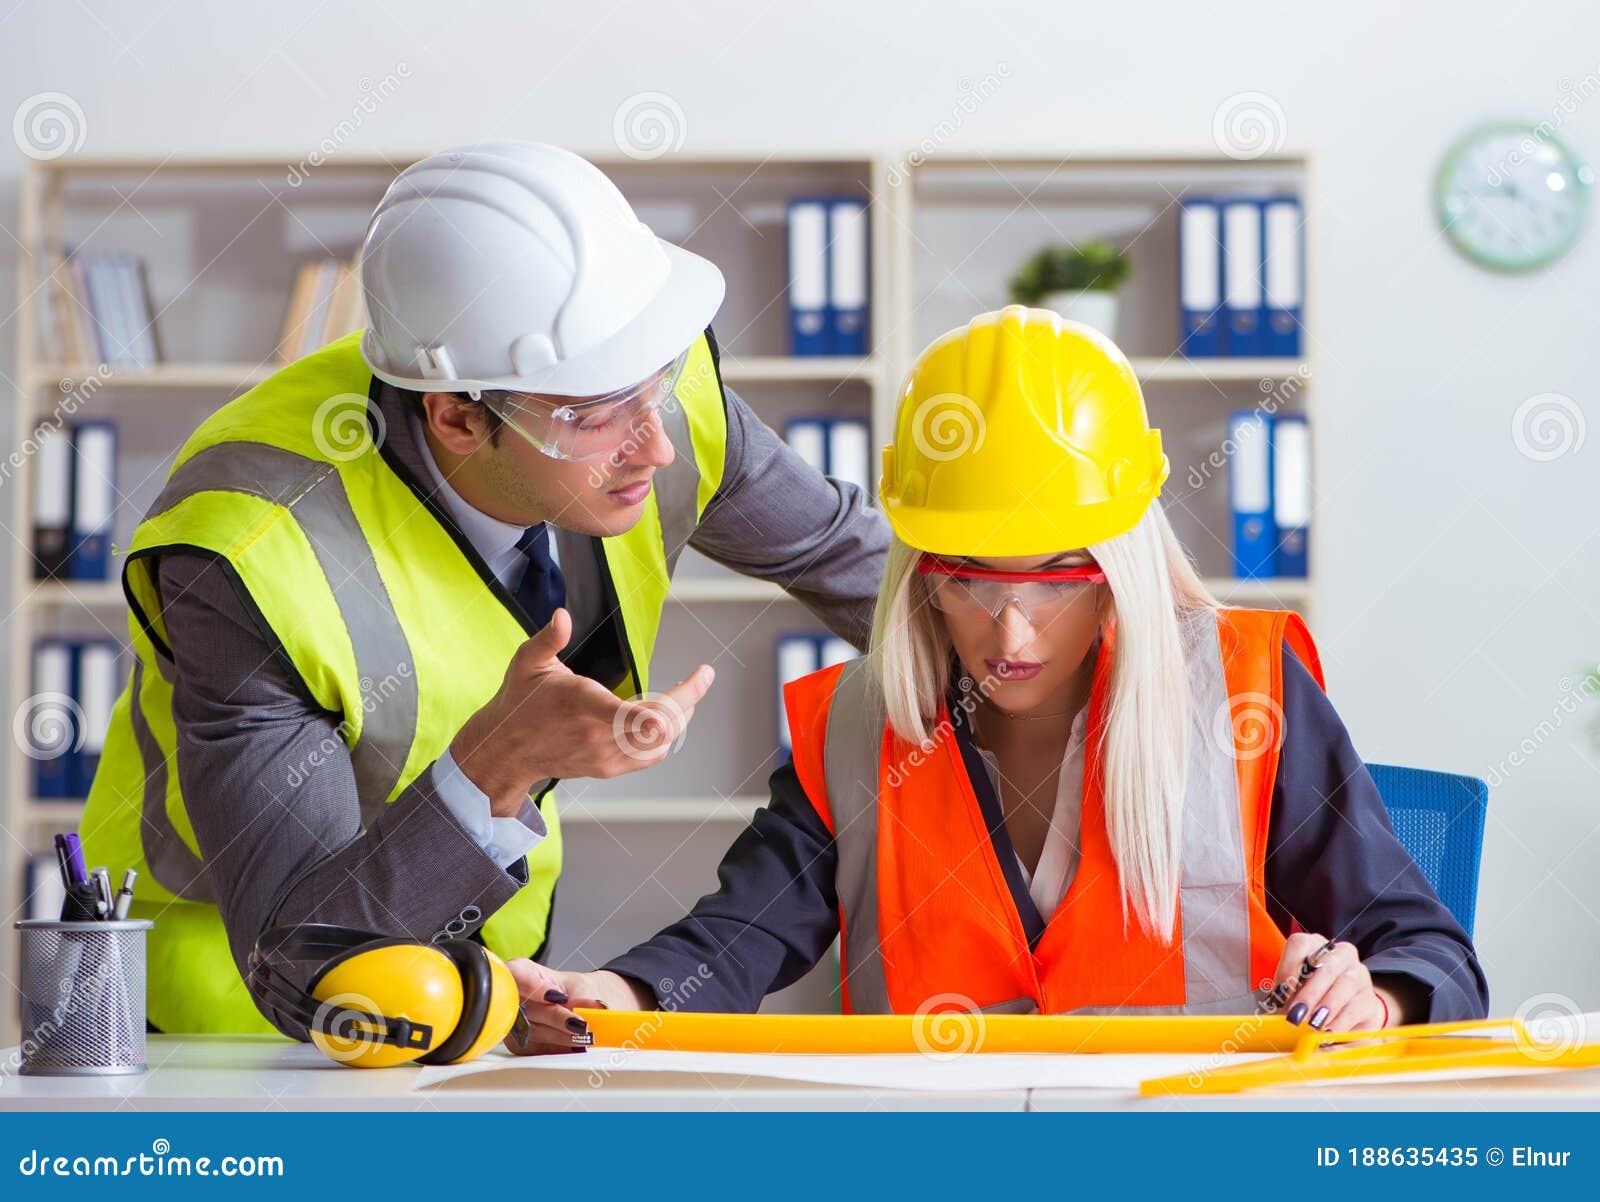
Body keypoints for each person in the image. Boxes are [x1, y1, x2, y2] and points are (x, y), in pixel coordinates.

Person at [508, 306, 1489, 1049]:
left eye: (1054, 584)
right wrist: (620, 994)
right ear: (919, 571)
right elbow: (741, 933)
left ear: (1118, 575)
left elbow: (1431, 953)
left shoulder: (1248, 690)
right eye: (968, 582)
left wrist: (1377, 991)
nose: (1008, 630)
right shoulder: (858, 724)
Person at [79, 142, 887, 1035]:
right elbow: (297, 960)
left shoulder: (639, 382)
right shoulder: (251, 556)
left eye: (652, 389)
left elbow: (882, 581)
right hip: (234, 1028)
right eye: (594, 417)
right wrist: (498, 761)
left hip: (490, 975)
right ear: (458, 416)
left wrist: (1050, 620)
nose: (655, 447)